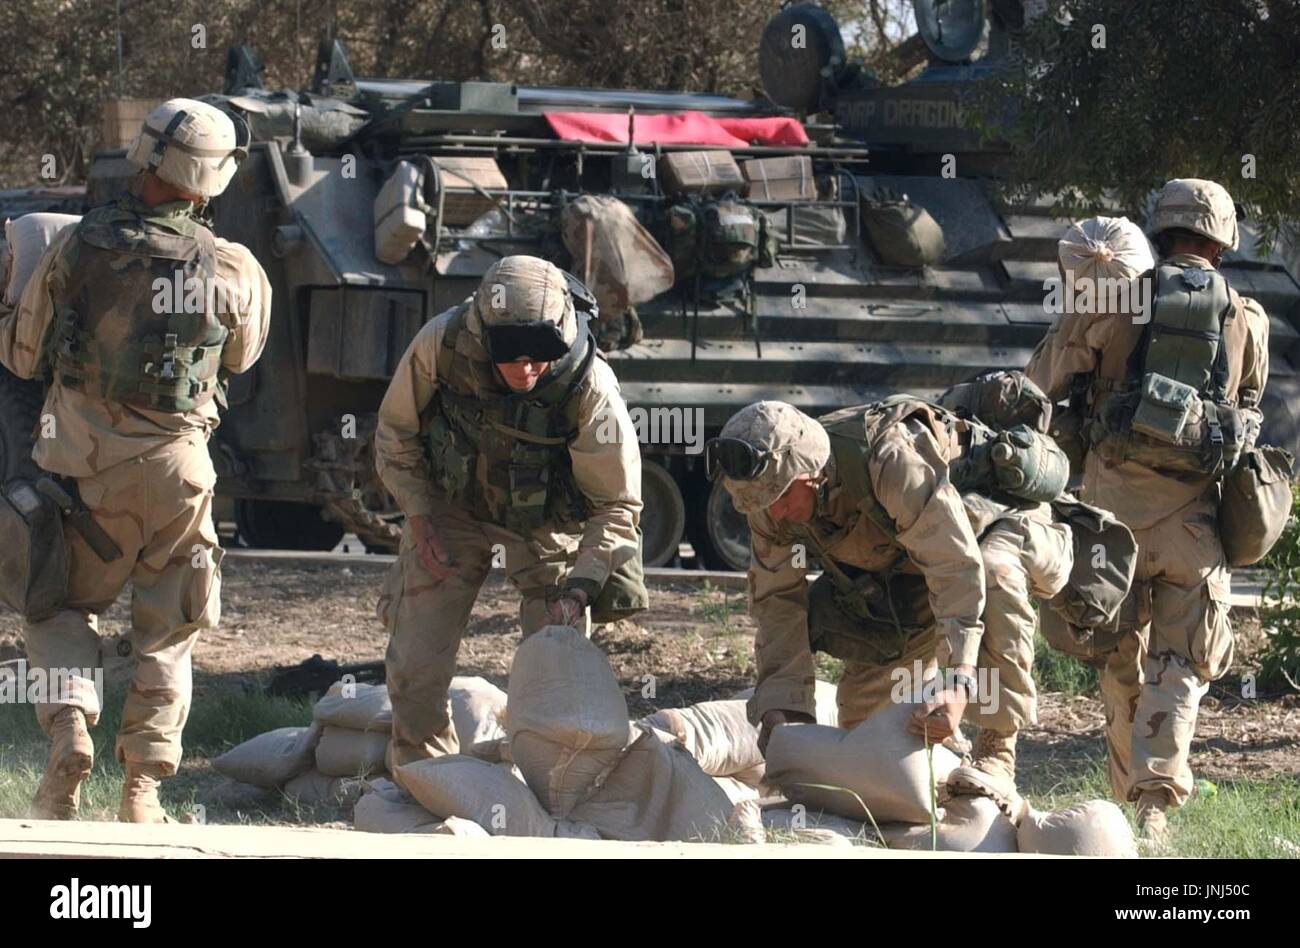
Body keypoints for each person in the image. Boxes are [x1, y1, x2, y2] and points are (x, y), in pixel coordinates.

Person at [0, 98, 271, 822]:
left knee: (56, 604)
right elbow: (242, 357)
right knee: (168, 632)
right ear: (212, 179)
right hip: (179, 476)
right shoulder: (235, 267)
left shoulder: (75, 248)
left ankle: (67, 730)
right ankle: (143, 789)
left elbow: (22, 357)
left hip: (80, 471)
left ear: (146, 158)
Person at [1025, 183, 1271, 839]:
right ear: (1221, 237)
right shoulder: (1247, 315)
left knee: (1119, 661)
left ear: (1156, 230)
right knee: (1181, 666)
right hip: (1194, 524)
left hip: (1111, 519)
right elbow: (1245, 413)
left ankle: (1124, 813)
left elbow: (1039, 385)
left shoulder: (1112, 300)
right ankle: (1154, 803)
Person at [709, 396, 1073, 816]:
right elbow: (777, 604)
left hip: (1008, 529)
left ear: (812, 474)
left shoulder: (889, 459)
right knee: (864, 744)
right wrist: (783, 708)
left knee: (995, 572)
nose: (774, 512)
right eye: (758, 503)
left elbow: (954, 567)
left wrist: (957, 681)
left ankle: (996, 751)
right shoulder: (768, 505)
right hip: (905, 566)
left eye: (780, 497)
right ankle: (945, 758)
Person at [374, 255, 643, 769]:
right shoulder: (442, 343)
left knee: (559, 664)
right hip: (452, 509)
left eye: (538, 354)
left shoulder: (588, 385)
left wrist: (581, 588)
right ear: (482, 331)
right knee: (415, 662)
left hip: (545, 525)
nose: (525, 369)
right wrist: (419, 514)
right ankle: (424, 776)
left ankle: (552, 786)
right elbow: (395, 435)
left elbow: (616, 504)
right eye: (509, 354)